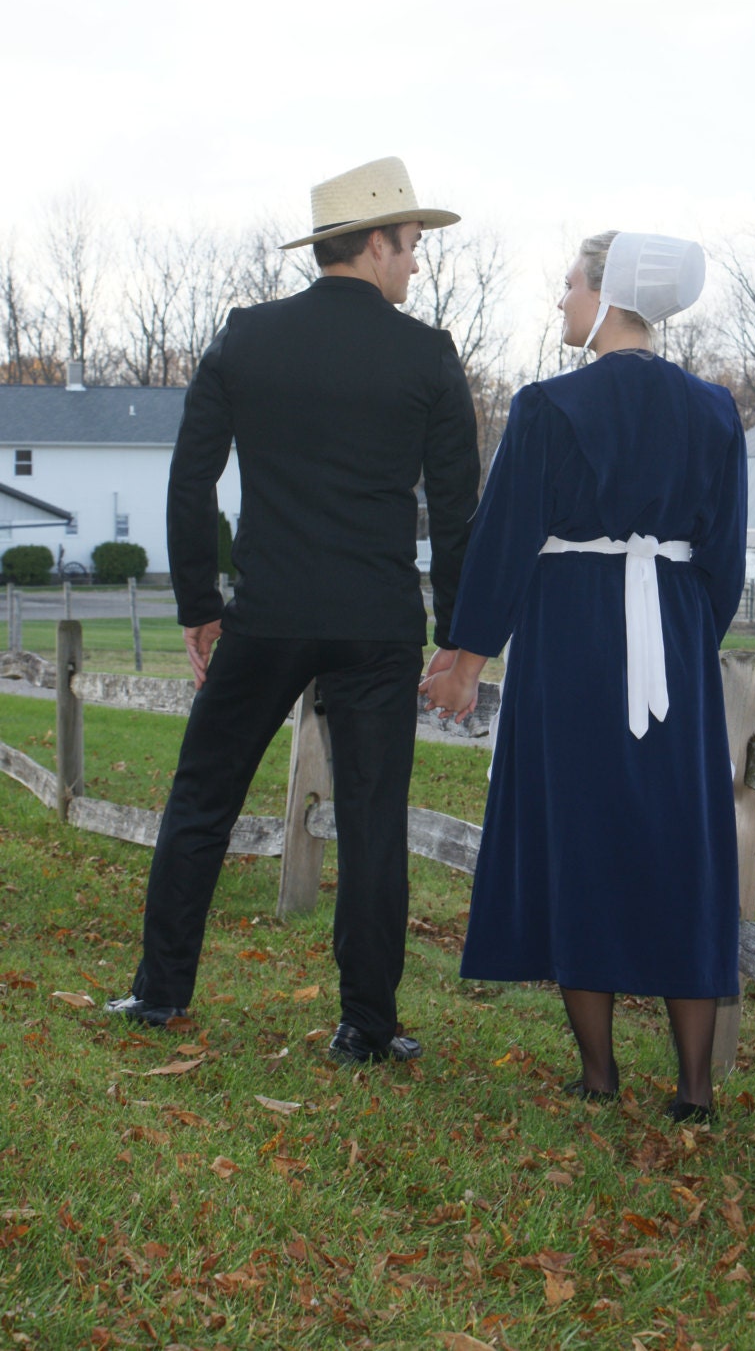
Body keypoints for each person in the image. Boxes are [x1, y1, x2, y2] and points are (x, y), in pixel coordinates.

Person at [107, 157, 480, 1068]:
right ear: (375, 243)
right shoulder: (427, 355)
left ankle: (159, 995)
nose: (418, 266)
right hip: (377, 623)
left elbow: (191, 477)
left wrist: (201, 602)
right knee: (373, 818)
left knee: (200, 798)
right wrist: (460, 634)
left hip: (267, 613)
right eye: (413, 245)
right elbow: (459, 505)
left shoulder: (246, 337)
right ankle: (367, 1026)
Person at [421, 230, 747, 1121]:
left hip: (570, 646)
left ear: (609, 297)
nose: (561, 302)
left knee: (580, 841)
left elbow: (503, 542)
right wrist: (681, 639)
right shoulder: (716, 411)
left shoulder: (546, 407)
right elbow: (722, 563)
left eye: (569, 285)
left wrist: (464, 658)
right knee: (681, 849)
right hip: (672, 652)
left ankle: (600, 1076)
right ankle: (693, 1086)